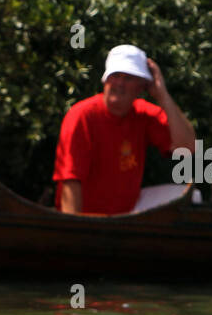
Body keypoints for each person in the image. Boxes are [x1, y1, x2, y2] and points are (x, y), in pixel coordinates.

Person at [53, 44, 197, 215]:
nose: (119, 83)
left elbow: (188, 147)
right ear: (106, 79)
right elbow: (71, 179)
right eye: (115, 75)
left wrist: (162, 95)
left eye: (128, 78)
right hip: (88, 217)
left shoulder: (144, 114)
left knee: (192, 196)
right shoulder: (82, 116)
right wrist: (75, 228)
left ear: (141, 86)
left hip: (127, 213)